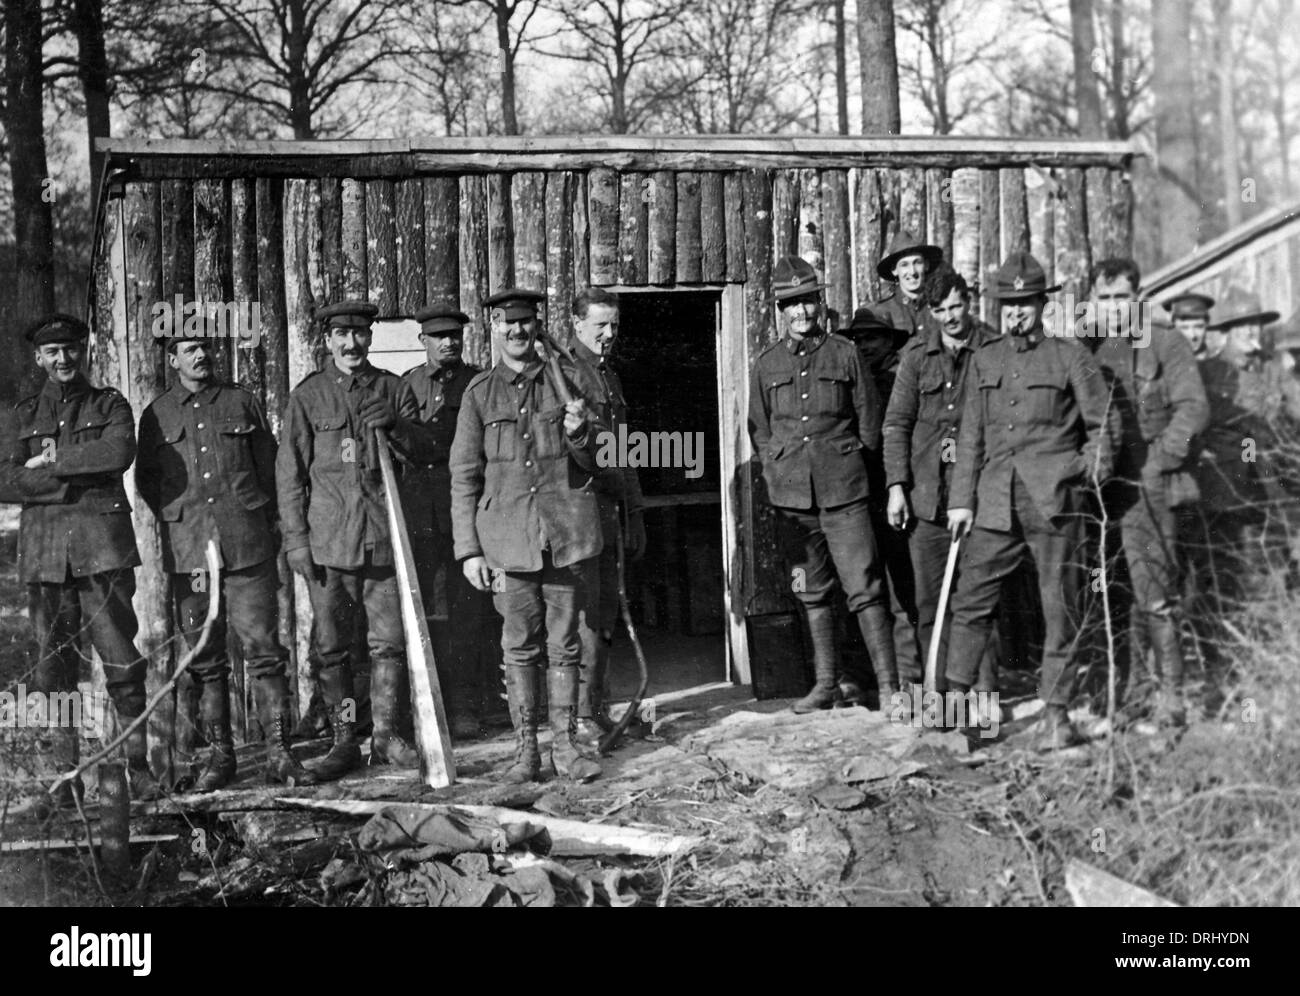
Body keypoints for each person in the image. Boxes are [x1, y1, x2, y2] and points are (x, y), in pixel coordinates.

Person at [945, 252, 1112, 749]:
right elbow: (969, 436)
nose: (1016, 313)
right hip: (995, 501)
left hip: (1055, 505)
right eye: (1007, 304)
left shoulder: (1070, 357)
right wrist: (961, 501)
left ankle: (1056, 716)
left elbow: (1105, 428)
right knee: (970, 602)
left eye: (1025, 303)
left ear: (1042, 303)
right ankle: (957, 717)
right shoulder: (984, 359)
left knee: (1060, 607)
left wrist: (1079, 475)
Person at [136, 331, 312, 788]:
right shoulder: (157, 414)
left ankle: (279, 752)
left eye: (205, 347)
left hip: (246, 546)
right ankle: (220, 757)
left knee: (265, 650)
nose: (201, 355)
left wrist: (254, 514)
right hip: (191, 553)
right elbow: (149, 483)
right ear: (172, 359)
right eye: (189, 349)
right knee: (206, 657)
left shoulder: (240, 401)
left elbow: (270, 467)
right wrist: (180, 519)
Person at [450, 288, 604, 783]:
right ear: (494, 328)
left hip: (563, 533)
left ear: (537, 327)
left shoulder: (569, 384)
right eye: (507, 324)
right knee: (518, 647)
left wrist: (581, 432)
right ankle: (525, 753)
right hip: (507, 542)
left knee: (564, 645)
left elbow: (596, 460)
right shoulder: (479, 394)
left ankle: (565, 747)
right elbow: (464, 477)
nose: (517, 331)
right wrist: (469, 550)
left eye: (525, 323)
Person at [0, 314, 157, 803]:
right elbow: (5, 479)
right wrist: (73, 471)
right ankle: (64, 779)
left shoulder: (110, 403)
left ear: (82, 351)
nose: (63, 359)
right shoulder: (23, 415)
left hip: (102, 552)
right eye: (53, 352)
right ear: (39, 358)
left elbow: (116, 454)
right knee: (54, 669)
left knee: (122, 662)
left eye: (70, 349)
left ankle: (139, 767)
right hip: (46, 557)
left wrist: (49, 465)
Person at [276, 299, 433, 780]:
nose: (352, 343)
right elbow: (289, 477)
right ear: (327, 341)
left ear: (370, 338)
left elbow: (422, 453)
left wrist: (397, 427)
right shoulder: (309, 397)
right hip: (329, 546)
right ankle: (345, 739)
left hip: (383, 542)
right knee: (333, 648)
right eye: (342, 335)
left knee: (387, 644)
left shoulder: (392, 388)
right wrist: (297, 542)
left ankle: (385, 736)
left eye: (360, 334)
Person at [748, 256, 897, 712]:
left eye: (807, 301)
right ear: (780, 309)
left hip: (845, 494)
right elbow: (760, 429)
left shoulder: (844, 353)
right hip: (795, 498)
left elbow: (870, 422)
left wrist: (855, 470)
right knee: (810, 591)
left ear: (820, 302)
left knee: (864, 588)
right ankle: (826, 684)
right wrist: (778, 471)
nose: (801, 313)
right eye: (791, 304)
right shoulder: (766, 364)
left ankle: (889, 690)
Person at [1088, 259, 1208, 726]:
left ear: (1138, 298)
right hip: (1103, 491)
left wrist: (1157, 463)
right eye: (1105, 299)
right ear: (1093, 301)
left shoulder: (1166, 342)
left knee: (1156, 595)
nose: (1115, 309)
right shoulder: (1090, 349)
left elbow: (1193, 410)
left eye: (1123, 298)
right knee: (1115, 596)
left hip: (1150, 488)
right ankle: (1131, 694)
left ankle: (1171, 701)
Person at [883, 265, 1000, 693]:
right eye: (940, 310)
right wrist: (897, 487)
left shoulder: (993, 347)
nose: (951, 316)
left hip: (981, 496)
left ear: (968, 301)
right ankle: (944, 695)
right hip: (928, 499)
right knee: (930, 602)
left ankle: (984, 694)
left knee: (978, 599)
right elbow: (896, 424)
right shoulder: (915, 357)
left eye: (956, 306)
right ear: (930, 312)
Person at [401, 305, 491, 740]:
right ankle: (418, 709)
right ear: (423, 340)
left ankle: (466, 708)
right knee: (415, 612)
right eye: (438, 336)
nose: (448, 342)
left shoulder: (480, 382)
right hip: (419, 515)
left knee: (467, 615)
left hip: (465, 514)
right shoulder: (407, 386)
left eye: (454, 335)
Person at [567, 288, 646, 747]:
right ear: (577, 325)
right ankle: (580, 714)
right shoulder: (562, 375)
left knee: (604, 613)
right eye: (600, 325)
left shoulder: (608, 377)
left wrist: (634, 510)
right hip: (581, 509)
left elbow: (627, 451)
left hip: (612, 507)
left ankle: (595, 705)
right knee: (585, 615)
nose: (609, 334)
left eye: (613, 325)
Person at [1165, 292, 1214, 358]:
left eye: (1199, 327)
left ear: (1207, 324)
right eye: (1184, 328)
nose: (1192, 335)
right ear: (1173, 327)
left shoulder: (1222, 365)